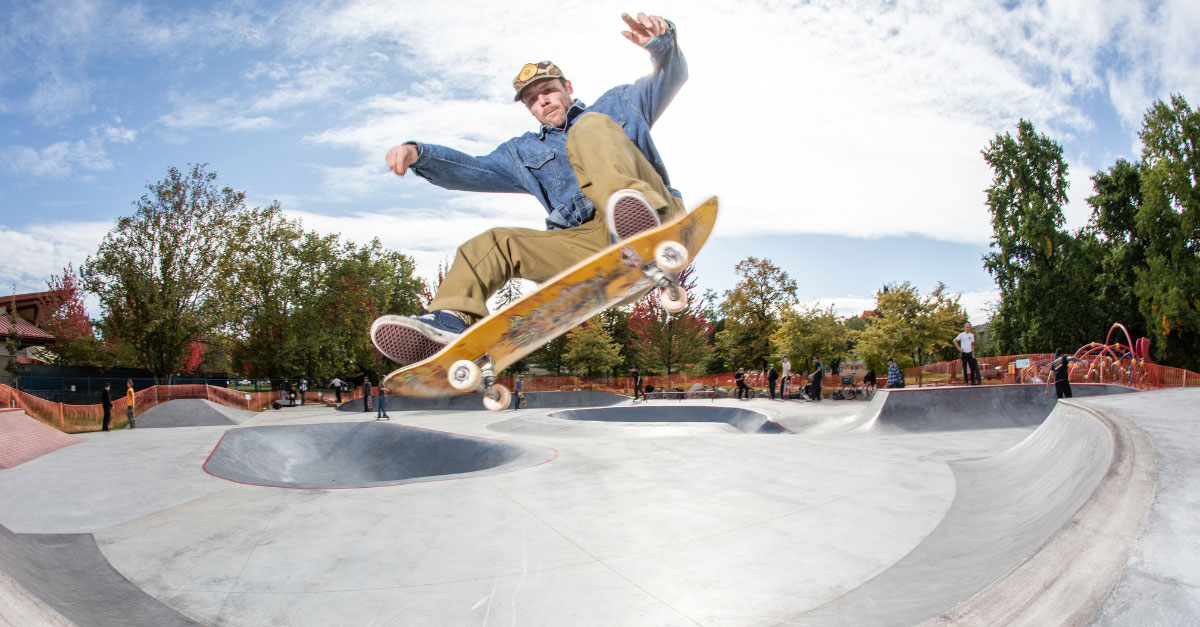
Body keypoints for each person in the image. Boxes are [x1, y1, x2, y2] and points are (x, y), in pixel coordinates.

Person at [371, 12, 689, 365]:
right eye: (533, 99)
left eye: (549, 90)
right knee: (493, 244)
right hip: (592, 249)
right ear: (528, 108)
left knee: (589, 128)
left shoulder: (620, 103)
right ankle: (451, 324)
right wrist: (419, 154)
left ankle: (630, 227)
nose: (543, 101)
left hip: (654, 218)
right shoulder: (522, 153)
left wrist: (662, 44)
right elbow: (469, 169)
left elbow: (671, 75)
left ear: (567, 88)